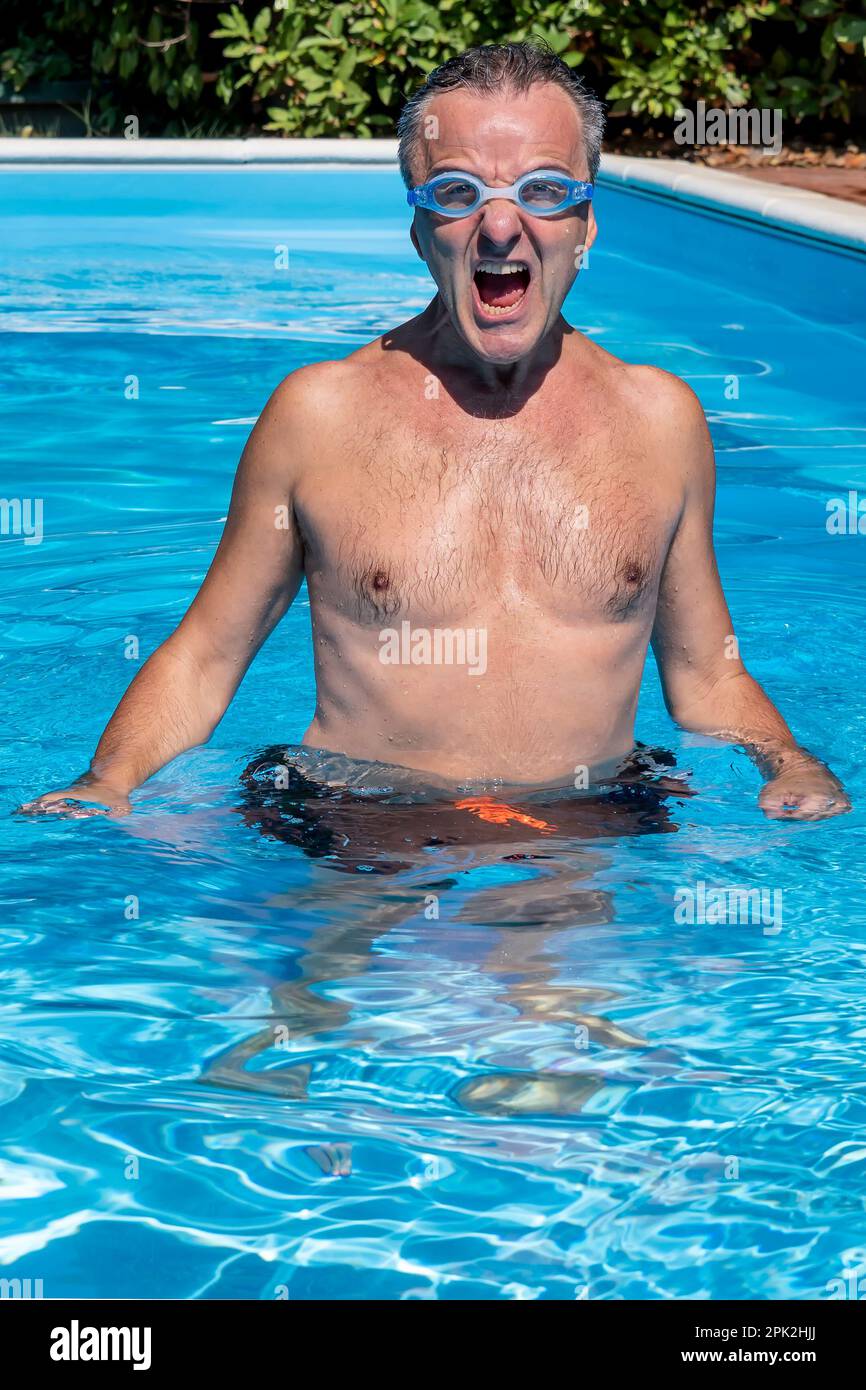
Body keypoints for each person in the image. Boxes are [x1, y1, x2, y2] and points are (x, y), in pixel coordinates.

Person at [20, 43, 848, 824]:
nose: (499, 227)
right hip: (359, 821)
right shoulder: (317, 416)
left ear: (587, 224)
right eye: (457, 193)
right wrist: (108, 781)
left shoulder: (660, 420)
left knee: (573, 983)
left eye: (544, 191)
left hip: (589, 824)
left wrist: (788, 761)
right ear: (418, 229)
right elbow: (205, 657)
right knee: (316, 982)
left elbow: (708, 675)